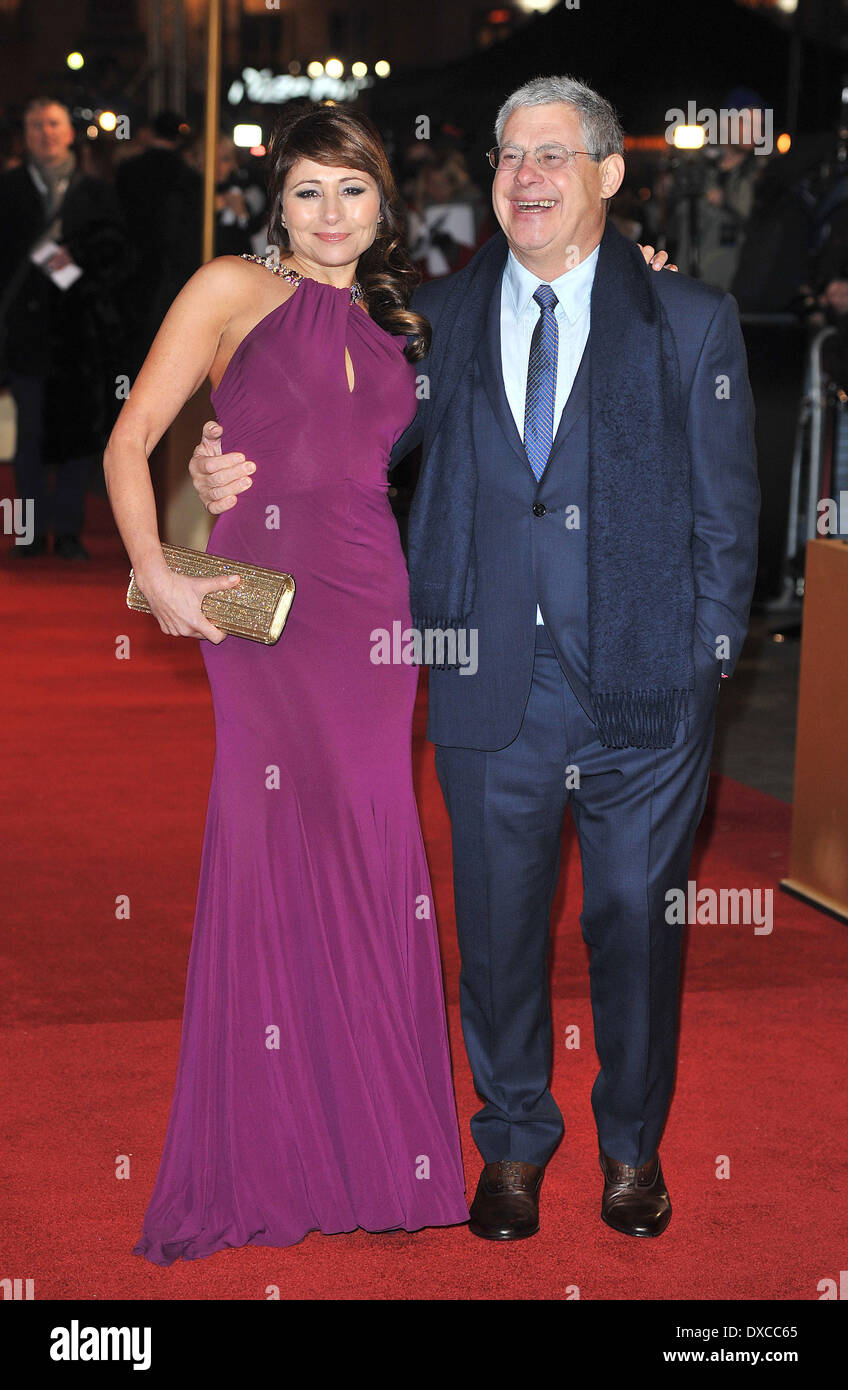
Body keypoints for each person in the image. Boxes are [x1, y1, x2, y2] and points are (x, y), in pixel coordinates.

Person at [191, 75, 759, 1245]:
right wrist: (221, 458)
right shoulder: (424, 321)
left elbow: (726, 516)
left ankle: (629, 1148)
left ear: (607, 174)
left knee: (632, 925)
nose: (525, 177)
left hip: (644, 689)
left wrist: (702, 663)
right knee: (495, 930)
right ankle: (510, 1142)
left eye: (553, 156)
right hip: (486, 676)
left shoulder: (688, 317)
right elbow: (337, 442)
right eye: (508, 155)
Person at [103, 104, 470, 1265]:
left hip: (371, 604)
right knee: (272, 838)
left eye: (351, 190)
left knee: (369, 837)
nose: (330, 213)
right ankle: (270, 1146)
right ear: (280, 203)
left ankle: (374, 1145)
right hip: (265, 607)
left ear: (382, 201)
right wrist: (157, 565)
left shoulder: (397, 317)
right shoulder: (230, 287)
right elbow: (131, 438)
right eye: (308, 191)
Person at [0, 97, 127, 559]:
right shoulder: (8, 189)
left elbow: (117, 258)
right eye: (36, 125)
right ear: (25, 134)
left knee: (78, 438)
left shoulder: (96, 193)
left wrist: (69, 267)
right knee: (29, 438)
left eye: (53, 124)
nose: (45, 133)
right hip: (26, 336)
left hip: (80, 338)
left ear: (70, 133)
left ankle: (69, 532)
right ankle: (28, 534)